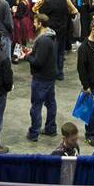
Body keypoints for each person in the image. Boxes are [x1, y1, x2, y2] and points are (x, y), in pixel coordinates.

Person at [24, 13, 59, 142]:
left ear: (40, 23)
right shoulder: (51, 36)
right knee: (50, 103)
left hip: (41, 78)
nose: (33, 24)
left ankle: (34, 133)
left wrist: (27, 57)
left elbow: (38, 62)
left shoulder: (43, 40)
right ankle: (51, 128)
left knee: (36, 106)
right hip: (49, 76)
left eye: (35, 22)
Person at [37, 0, 76, 81]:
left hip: (52, 30)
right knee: (60, 52)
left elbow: (41, 13)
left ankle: (54, 72)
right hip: (62, 29)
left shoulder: (49, 2)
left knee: (53, 52)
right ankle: (60, 73)